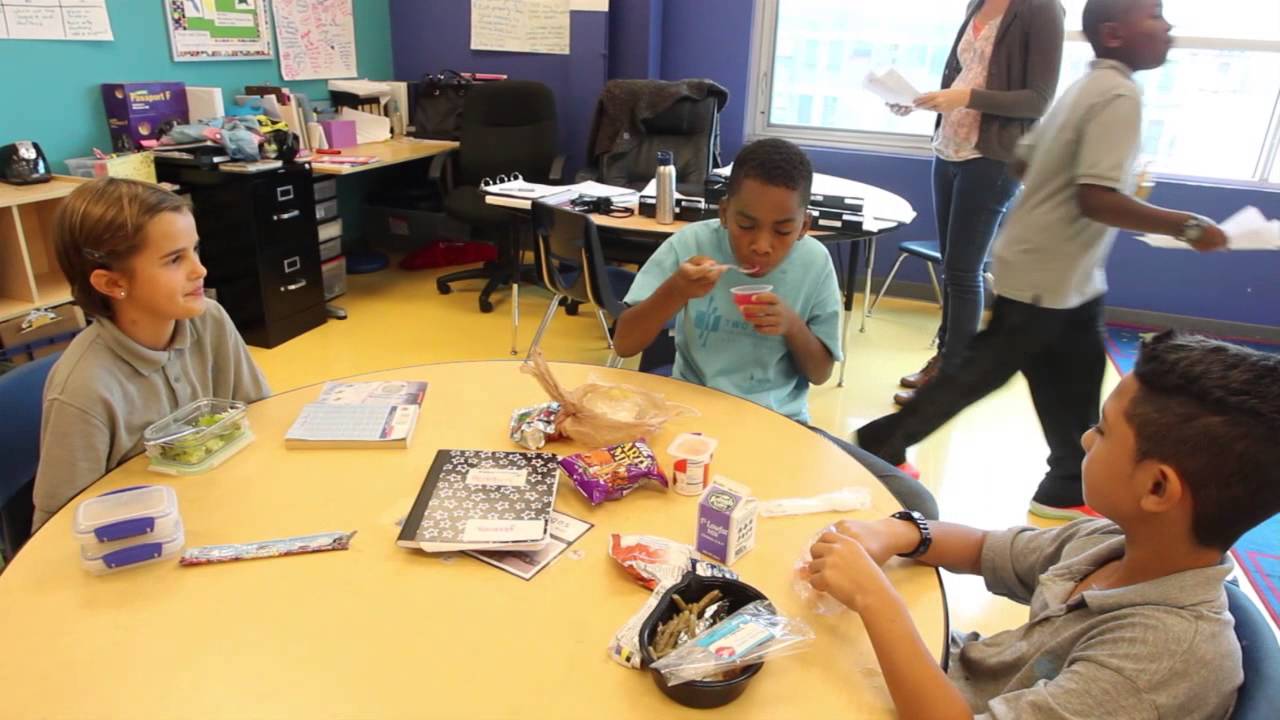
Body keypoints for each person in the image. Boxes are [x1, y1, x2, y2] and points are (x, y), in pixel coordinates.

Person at [858, 0, 1228, 519]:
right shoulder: (1117, 95)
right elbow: (1095, 199)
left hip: (1062, 270)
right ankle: (884, 441)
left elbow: (1025, 160)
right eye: (1154, 16)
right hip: (1048, 271)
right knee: (985, 370)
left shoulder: (1087, 86)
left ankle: (1067, 483)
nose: (1167, 27)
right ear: (1115, 34)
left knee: (1074, 372)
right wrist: (1187, 226)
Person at [811, 331, 1279, 718]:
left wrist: (876, 600)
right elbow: (983, 548)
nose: (1086, 438)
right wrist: (900, 532)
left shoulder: (1157, 665)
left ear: (1157, 488)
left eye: (1104, 430)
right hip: (945, 681)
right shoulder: (1114, 544)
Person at [32, 178, 270, 531]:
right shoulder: (83, 389)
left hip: (223, 507)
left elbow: (260, 414)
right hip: (147, 537)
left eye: (195, 250)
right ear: (113, 283)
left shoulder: (210, 320)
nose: (199, 270)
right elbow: (57, 530)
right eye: (175, 259)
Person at [890, 0, 1065, 406]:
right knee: (952, 266)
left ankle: (953, 377)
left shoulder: (1042, 9)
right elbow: (964, 74)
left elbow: (1038, 100)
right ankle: (945, 359)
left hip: (993, 157)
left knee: (963, 271)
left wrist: (966, 97)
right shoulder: (977, 3)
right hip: (949, 148)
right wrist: (920, 101)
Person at [612, 138, 842, 426]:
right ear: (724, 213)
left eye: (783, 231)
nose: (761, 246)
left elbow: (820, 374)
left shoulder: (814, 263)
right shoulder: (691, 244)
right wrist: (675, 290)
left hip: (778, 420)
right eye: (746, 225)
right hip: (691, 408)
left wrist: (793, 326)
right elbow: (624, 344)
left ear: (804, 226)